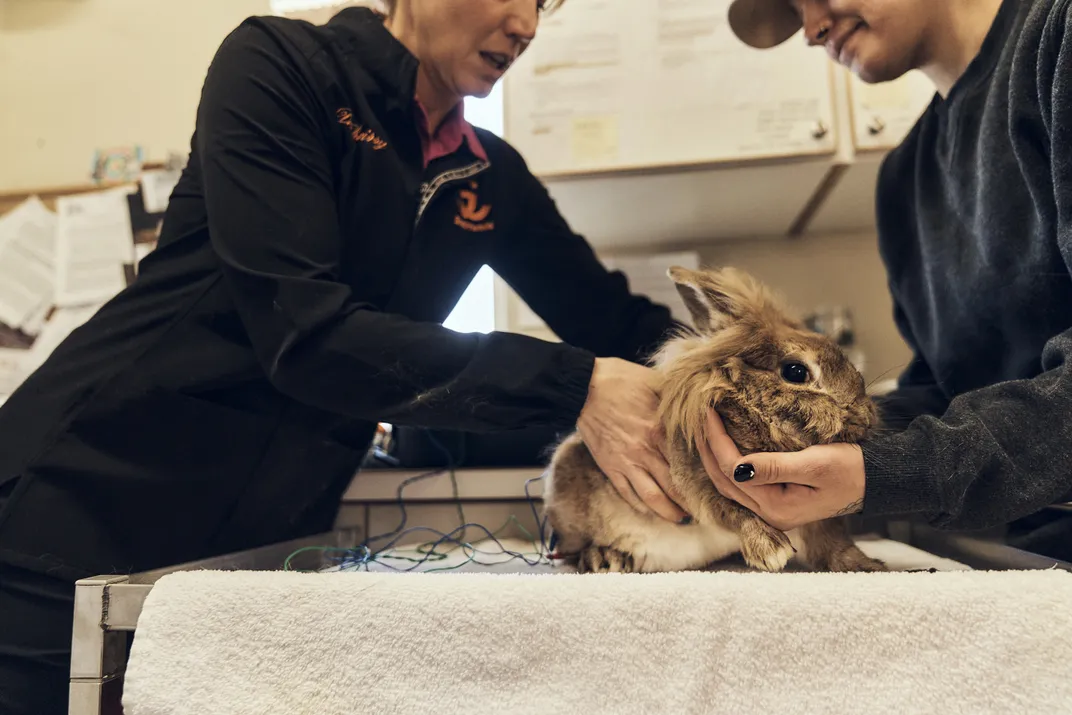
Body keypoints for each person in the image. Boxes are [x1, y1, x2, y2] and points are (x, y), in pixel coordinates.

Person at [0, 2, 691, 712]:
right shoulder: (282, 67)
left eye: (544, 2)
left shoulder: (489, 176)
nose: (527, 25)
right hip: (76, 508)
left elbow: (613, 320)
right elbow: (306, 335)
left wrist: (758, 367)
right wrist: (575, 383)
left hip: (237, 559)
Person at [701, 0, 1072, 552]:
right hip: (1031, 551)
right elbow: (938, 389)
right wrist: (783, 441)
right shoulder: (906, 176)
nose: (810, 29)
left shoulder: (1056, 39)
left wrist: (881, 473)